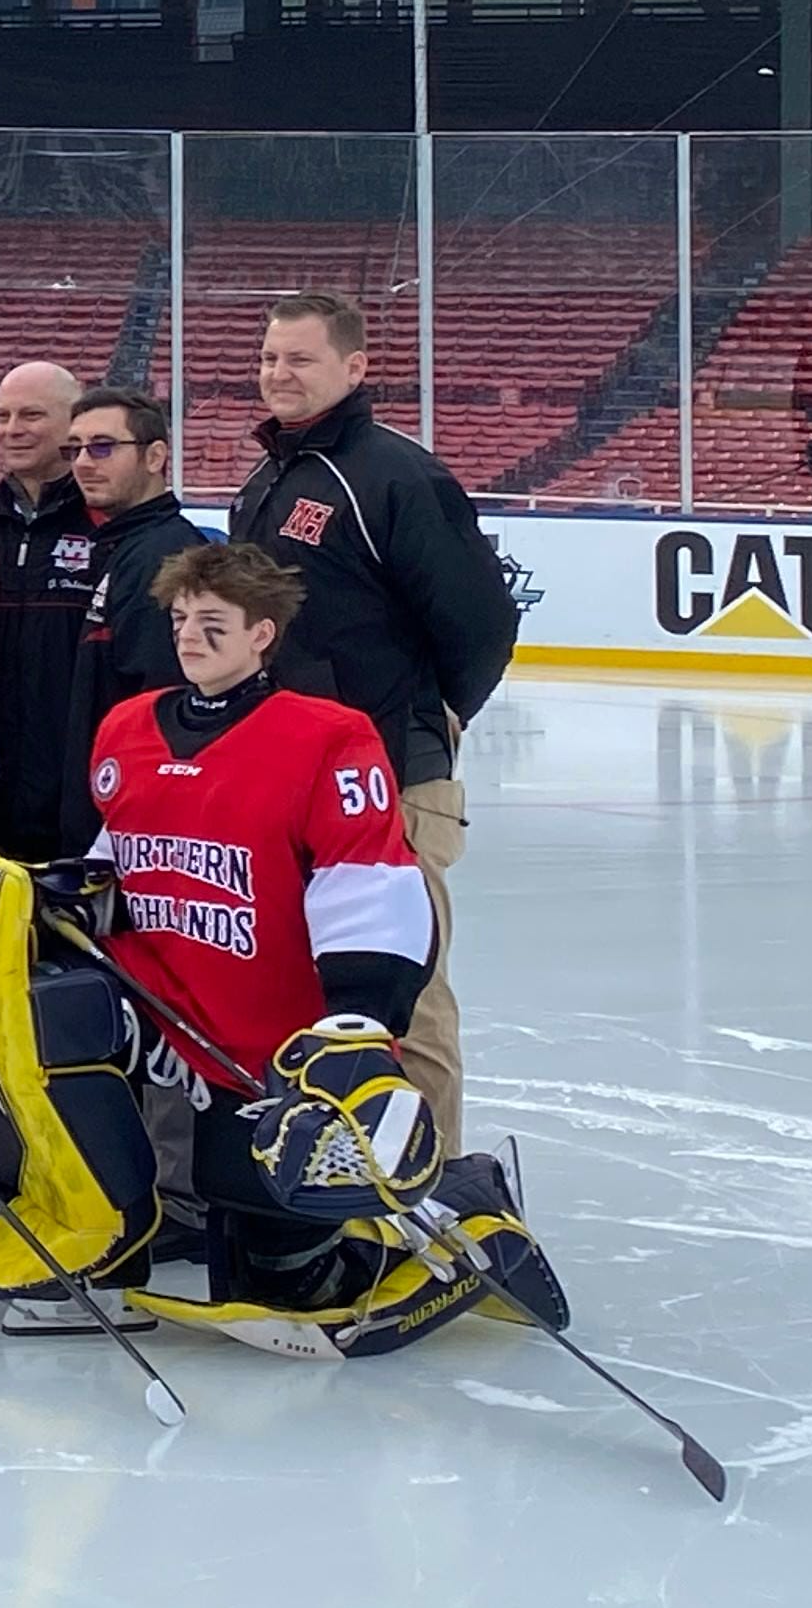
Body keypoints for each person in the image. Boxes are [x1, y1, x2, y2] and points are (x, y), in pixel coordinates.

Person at [81, 540, 548, 1350]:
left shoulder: (326, 736)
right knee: (226, 1226)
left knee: (283, 1268)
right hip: (184, 1030)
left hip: (281, 1043)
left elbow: (365, 882)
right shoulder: (128, 727)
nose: (189, 636)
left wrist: (358, 1019)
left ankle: (466, 1201)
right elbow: (114, 857)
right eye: (181, 619)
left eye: (212, 622)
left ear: (264, 634)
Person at [229, 292, 518, 1156]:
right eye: (272, 357)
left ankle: (428, 1190)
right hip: (293, 779)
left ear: (355, 369)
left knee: (407, 992)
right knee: (311, 984)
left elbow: (481, 625)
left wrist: (427, 722)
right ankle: (333, 1172)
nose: (280, 374)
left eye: (301, 360)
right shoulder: (270, 477)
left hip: (391, 779)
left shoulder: (395, 476)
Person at [50, 385, 209, 856]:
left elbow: (163, 701)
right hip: (101, 813)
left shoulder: (165, 556)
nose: (82, 462)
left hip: (129, 825)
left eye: (102, 447)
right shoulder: (121, 544)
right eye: (73, 448)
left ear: (155, 455)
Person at [0, 357, 94, 861]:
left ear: (72, 423)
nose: (12, 430)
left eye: (31, 416)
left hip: (76, 796)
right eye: (2, 416)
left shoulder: (107, 524)